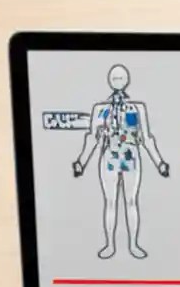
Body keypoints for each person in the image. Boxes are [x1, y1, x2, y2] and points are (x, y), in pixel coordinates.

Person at [72, 64, 169, 259]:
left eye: (121, 77)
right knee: (110, 202)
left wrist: (159, 162)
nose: (118, 81)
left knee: (131, 201)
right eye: (114, 78)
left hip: (131, 156)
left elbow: (146, 137)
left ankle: (133, 244)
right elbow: (92, 137)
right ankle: (110, 244)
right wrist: (81, 161)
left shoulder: (137, 108)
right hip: (109, 157)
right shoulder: (100, 109)